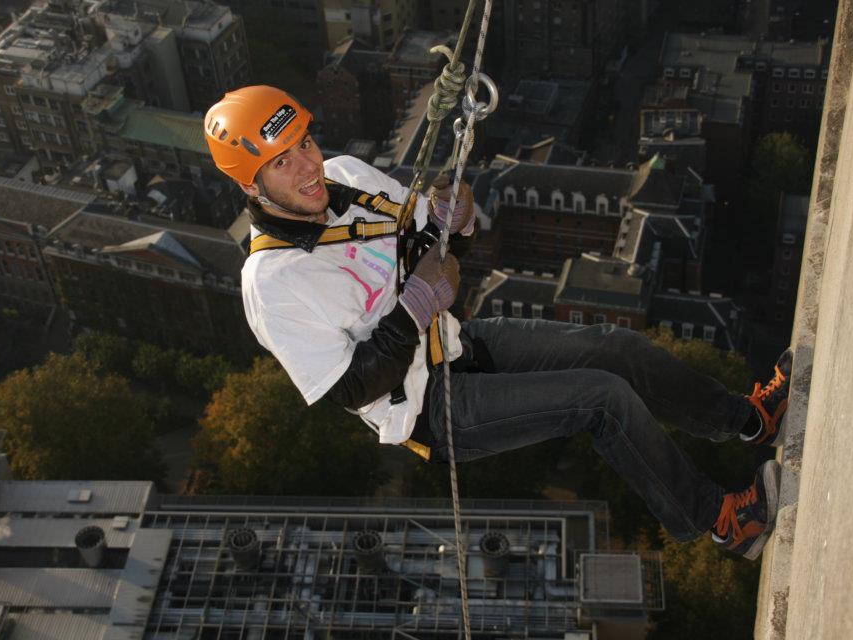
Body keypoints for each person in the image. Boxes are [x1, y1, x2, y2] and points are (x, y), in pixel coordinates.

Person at [204, 85, 793, 560]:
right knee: (603, 398)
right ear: (249, 182)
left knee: (614, 347)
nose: (307, 168)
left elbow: (428, 233)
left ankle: (747, 421)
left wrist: (452, 214)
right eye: (282, 163)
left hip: (460, 343)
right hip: (429, 408)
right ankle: (720, 521)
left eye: (304, 143)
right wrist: (413, 309)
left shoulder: (348, 178)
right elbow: (353, 387)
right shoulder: (273, 284)